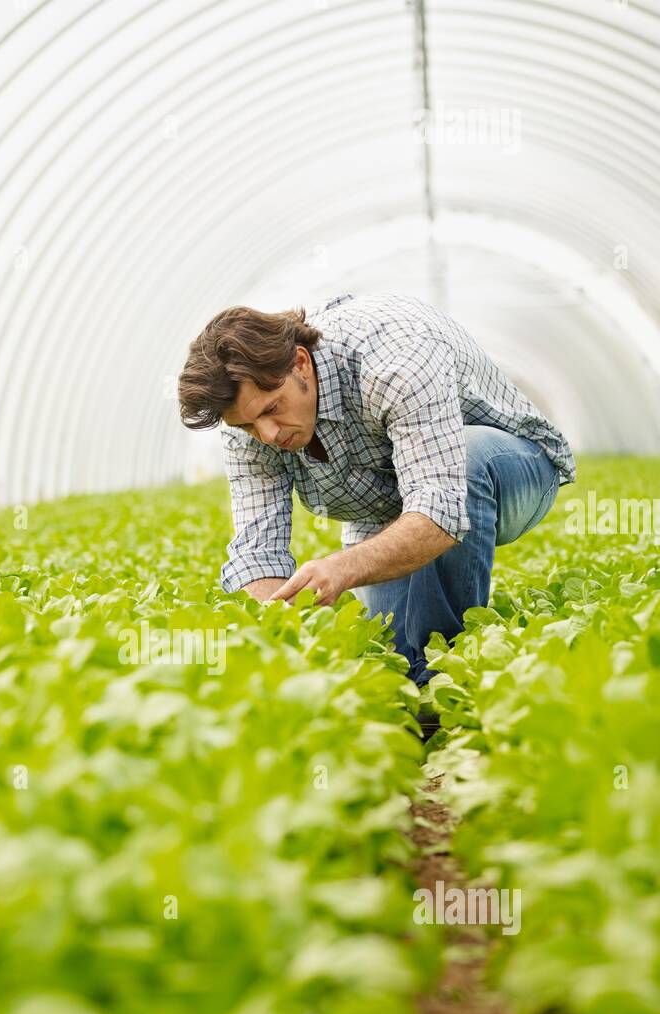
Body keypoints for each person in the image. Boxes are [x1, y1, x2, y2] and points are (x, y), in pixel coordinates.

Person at [177, 293, 575, 712]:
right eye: (249, 424)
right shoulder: (248, 425)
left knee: (467, 460)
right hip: (392, 507)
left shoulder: (395, 363)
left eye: (273, 409)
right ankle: (419, 683)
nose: (269, 434)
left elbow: (440, 505)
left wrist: (340, 569)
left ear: (299, 363)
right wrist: (274, 635)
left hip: (514, 468)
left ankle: (445, 687)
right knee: (397, 656)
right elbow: (258, 552)